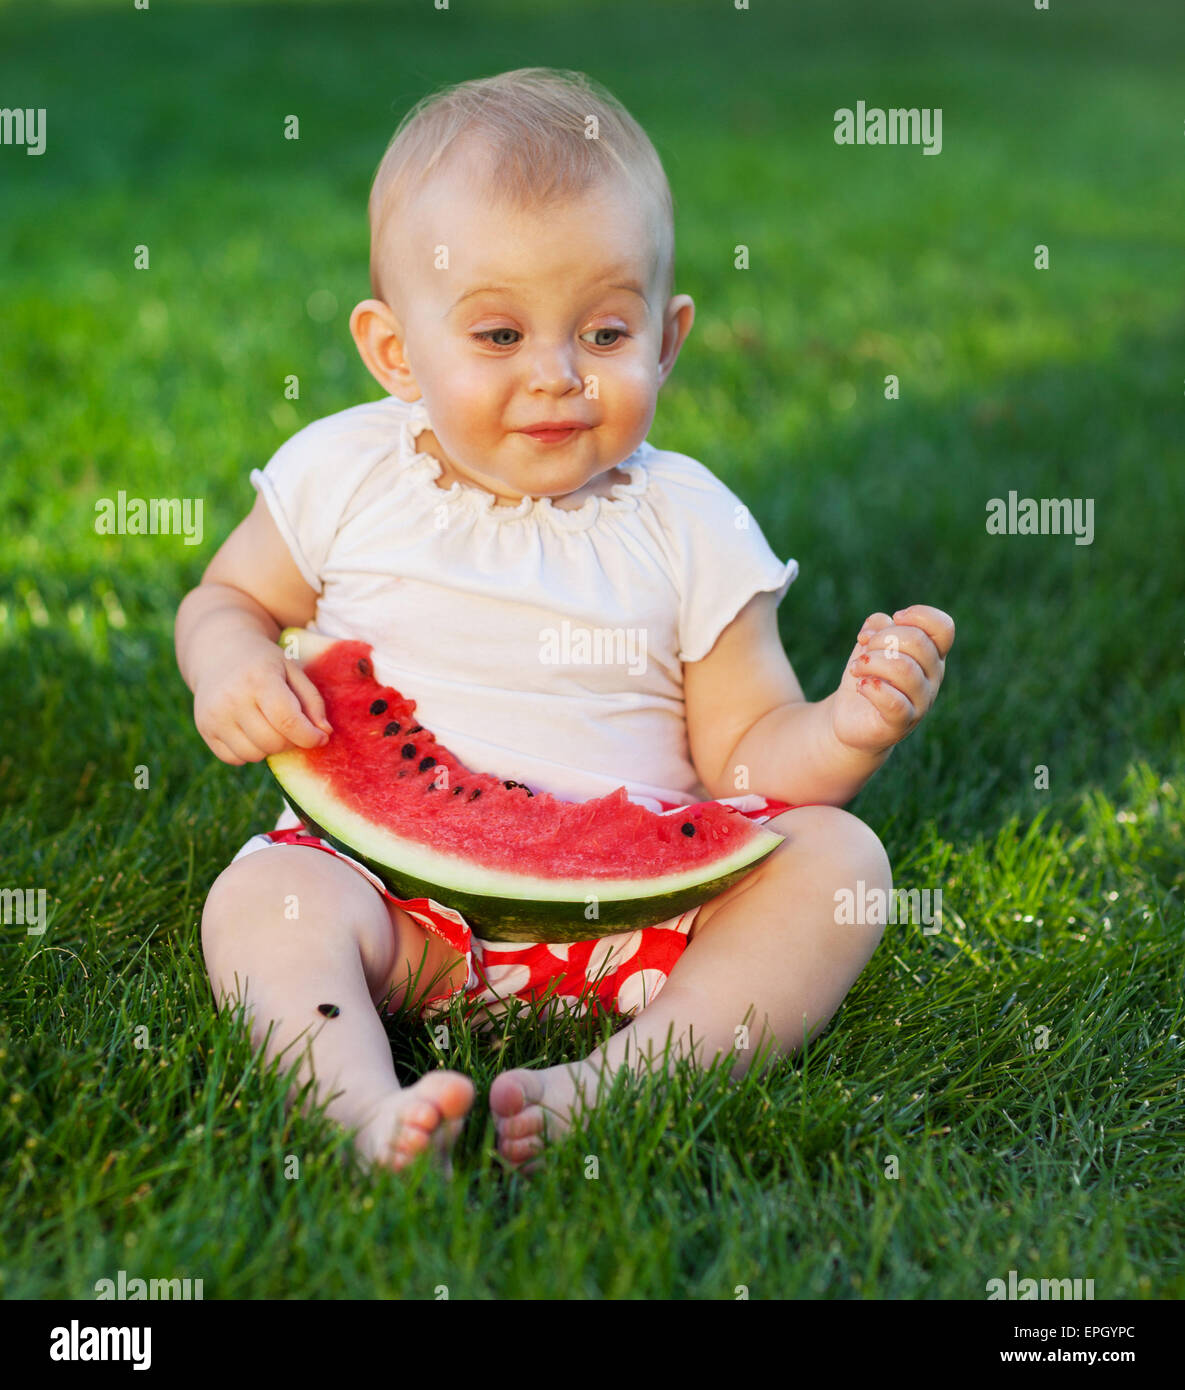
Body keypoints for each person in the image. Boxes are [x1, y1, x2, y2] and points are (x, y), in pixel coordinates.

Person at [174, 67, 954, 1175]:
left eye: (602, 332)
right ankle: (353, 1106)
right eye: (497, 336)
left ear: (667, 340)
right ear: (395, 351)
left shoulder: (691, 524)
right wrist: (230, 662)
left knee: (841, 862)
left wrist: (851, 725)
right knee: (261, 898)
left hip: (644, 923)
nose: (556, 377)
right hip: (394, 908)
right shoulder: (344, 474)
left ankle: (626, 1080)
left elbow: (750, 754)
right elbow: (227, 599)